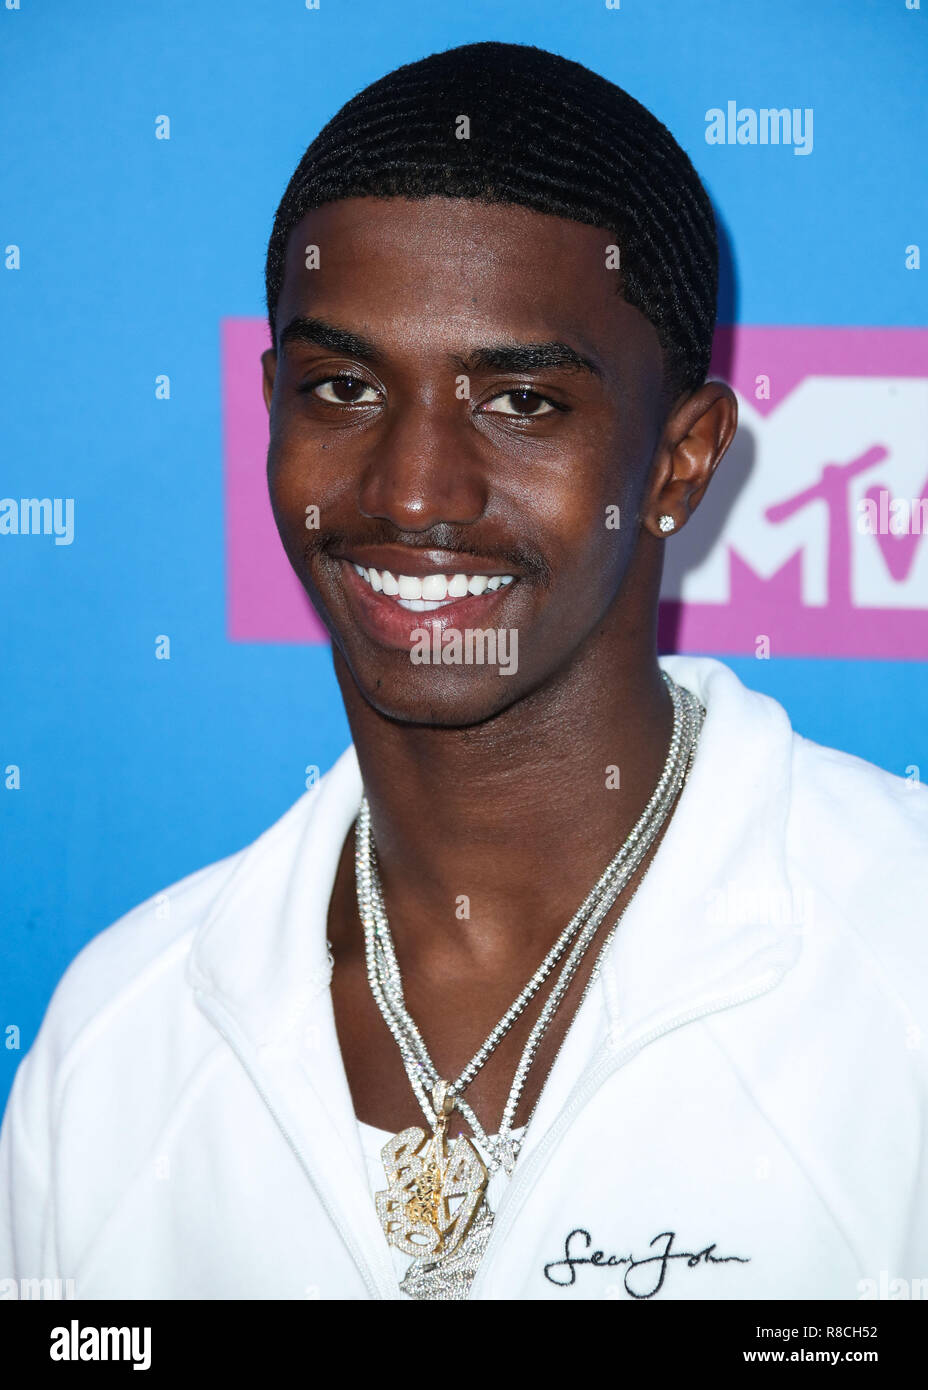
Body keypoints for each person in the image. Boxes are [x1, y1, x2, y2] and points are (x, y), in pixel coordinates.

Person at [2, 40, 926, 1303]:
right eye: (343, 386)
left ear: (680, 458)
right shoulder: (117, 1039)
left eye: (522, 402)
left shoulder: (900, 957)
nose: (414, 488)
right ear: (270, 408)